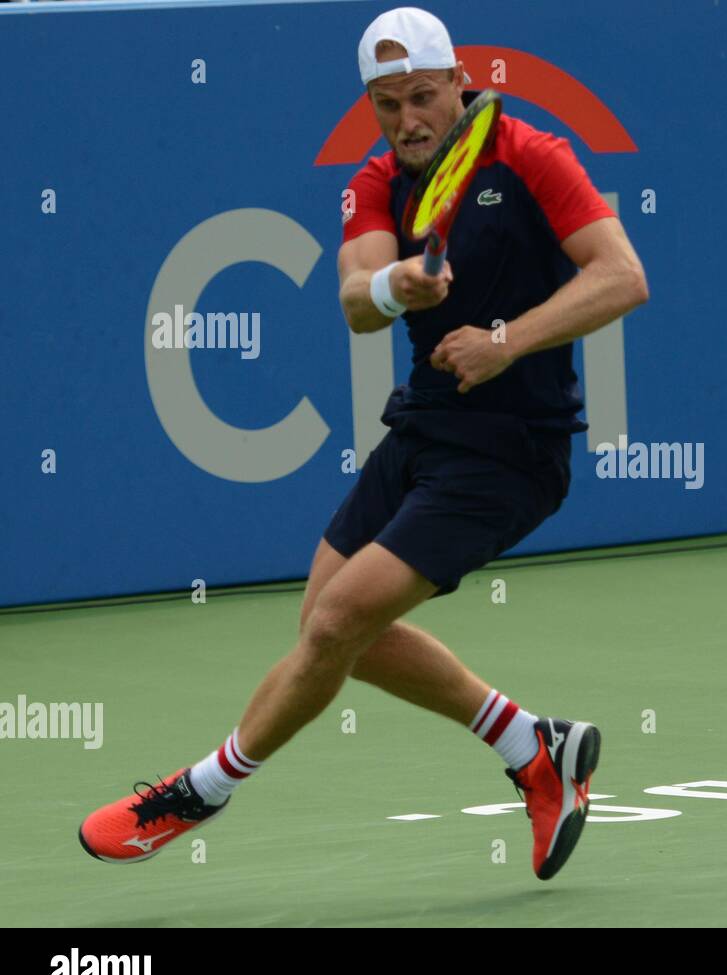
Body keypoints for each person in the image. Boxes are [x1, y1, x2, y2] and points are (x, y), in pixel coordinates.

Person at [79, 7, 648, 881]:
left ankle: (196, 792)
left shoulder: (535, 157)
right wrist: (397, 287)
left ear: (460, 82)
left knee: (340, 619)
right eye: (387, 105)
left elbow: (622, 276)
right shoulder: (378, 178)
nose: (409, 120)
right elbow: (354, 302)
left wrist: (507, 341)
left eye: (423, 97)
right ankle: (536, 748)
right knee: (328, 626)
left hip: (513, 449)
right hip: (423, 425)